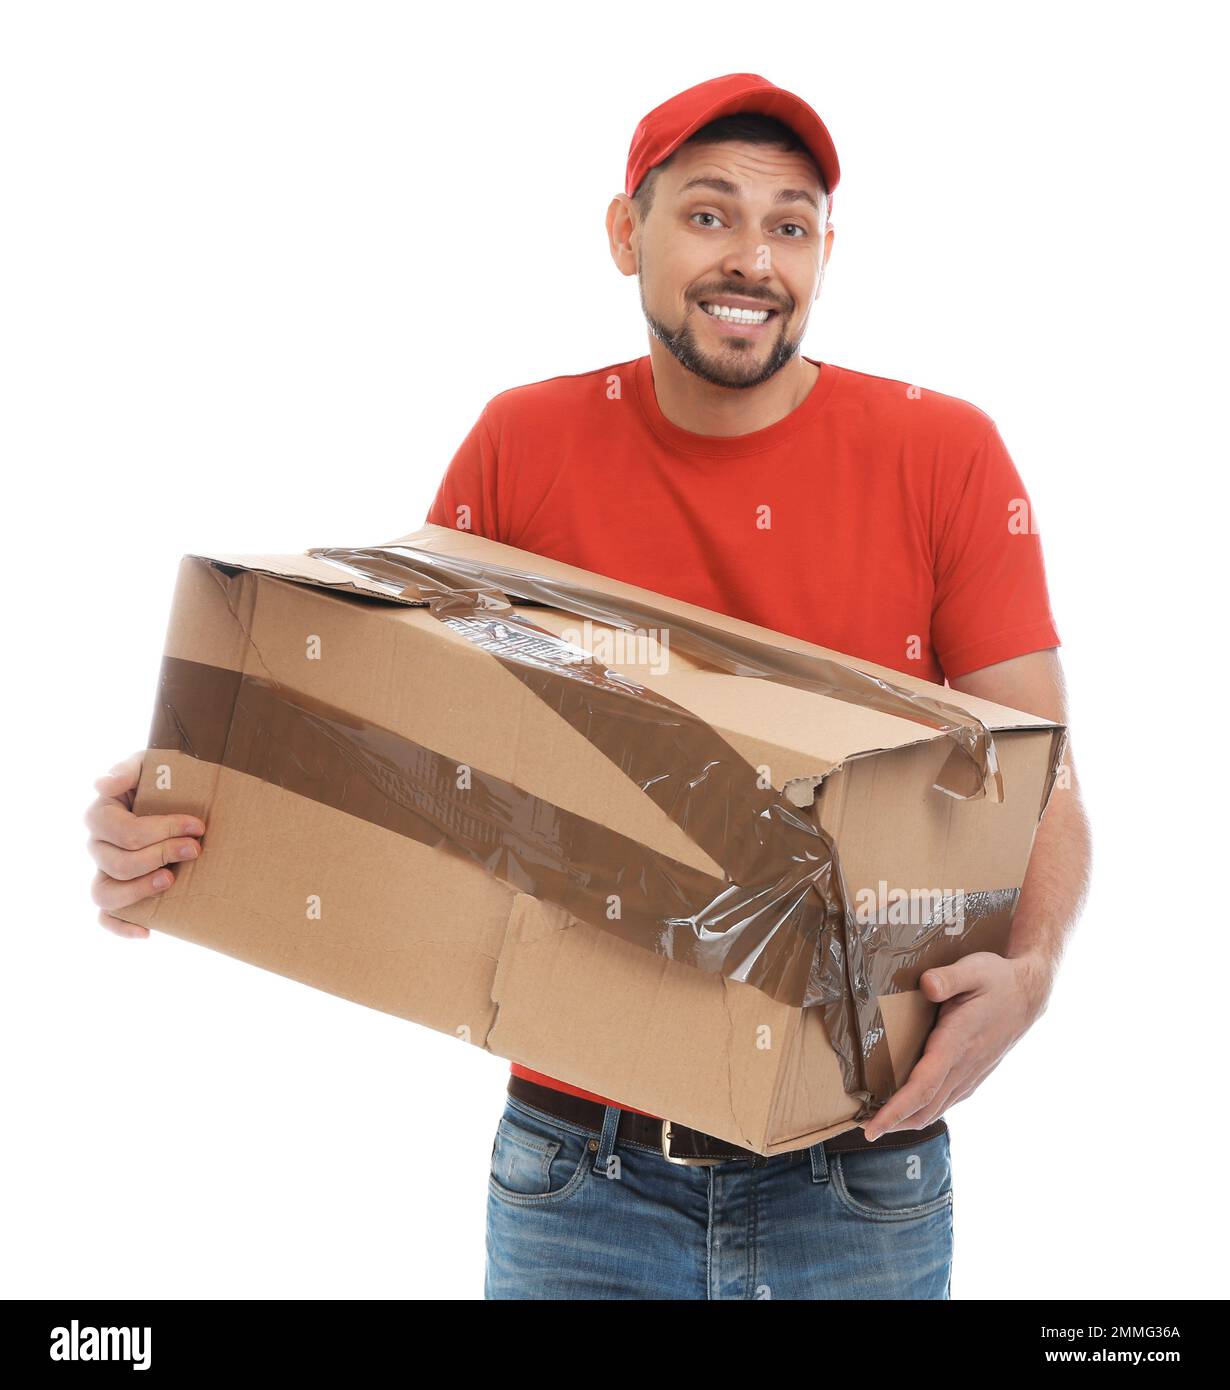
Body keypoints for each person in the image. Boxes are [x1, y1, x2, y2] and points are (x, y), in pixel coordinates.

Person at [85, 74, 1092, 1300]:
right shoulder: (527, 445)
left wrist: (1030, 979)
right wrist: (202, 812)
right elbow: (402, 730)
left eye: (791, 224)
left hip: (860, 1178)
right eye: (711, 214)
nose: (755, 260)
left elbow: (1043, 787)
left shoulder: (946, 454)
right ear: (627, 231)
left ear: (827, 251)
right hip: (581, 1179)